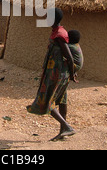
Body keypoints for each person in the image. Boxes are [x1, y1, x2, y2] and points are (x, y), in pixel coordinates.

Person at [27, 8, 77, 141]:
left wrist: (72, 75)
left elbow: (70, 57)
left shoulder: (60, 34)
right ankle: (62, 131)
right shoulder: (57, 32)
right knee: (62, 100)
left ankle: (67, 127)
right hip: (57, 71)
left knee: (47, 102)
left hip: (56, 73)